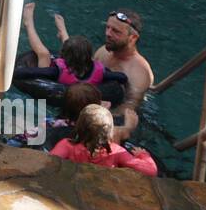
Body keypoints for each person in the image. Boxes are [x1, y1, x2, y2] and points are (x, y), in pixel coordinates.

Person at [56, 8, 153, 144]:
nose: (108, 34)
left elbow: (128, 109)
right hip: (91, 102)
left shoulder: (139, 72)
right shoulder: (104, 51)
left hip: (110, 116)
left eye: (116, 31)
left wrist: (93, 116)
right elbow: (84, 72)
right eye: (107, 28)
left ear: (133, 38)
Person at [50, 104, 159, 176]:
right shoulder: (116, 151)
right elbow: (151, 171)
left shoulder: (67, 145)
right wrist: (144, 155)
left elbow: (49, 162)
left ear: (78, 126)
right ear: (111, 131)